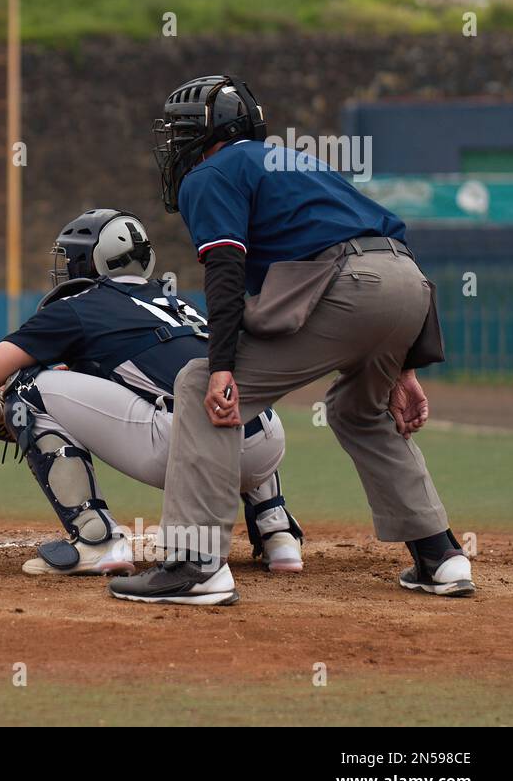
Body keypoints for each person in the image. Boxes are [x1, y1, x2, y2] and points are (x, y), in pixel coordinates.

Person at [109, 75, 472, 606]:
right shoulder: (292, 160)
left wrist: (222, 366)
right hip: (409, 286)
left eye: (181, 130)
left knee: (196, 383)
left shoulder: (212, 172)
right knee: (358, 410)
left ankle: (195, 564)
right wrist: (404, 369)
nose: (174, 143)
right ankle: (441, 557)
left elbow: (226, 269)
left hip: (346, 288)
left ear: (208, 132)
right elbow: (383, 242)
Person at [0, 210, 303, 585]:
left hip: (188, 456)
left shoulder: (79, 306)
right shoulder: (178, 304)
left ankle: (96, 538)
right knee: (221, 393)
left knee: (25, 387)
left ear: (92, 261)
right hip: (266, 441)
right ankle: (278, 533)